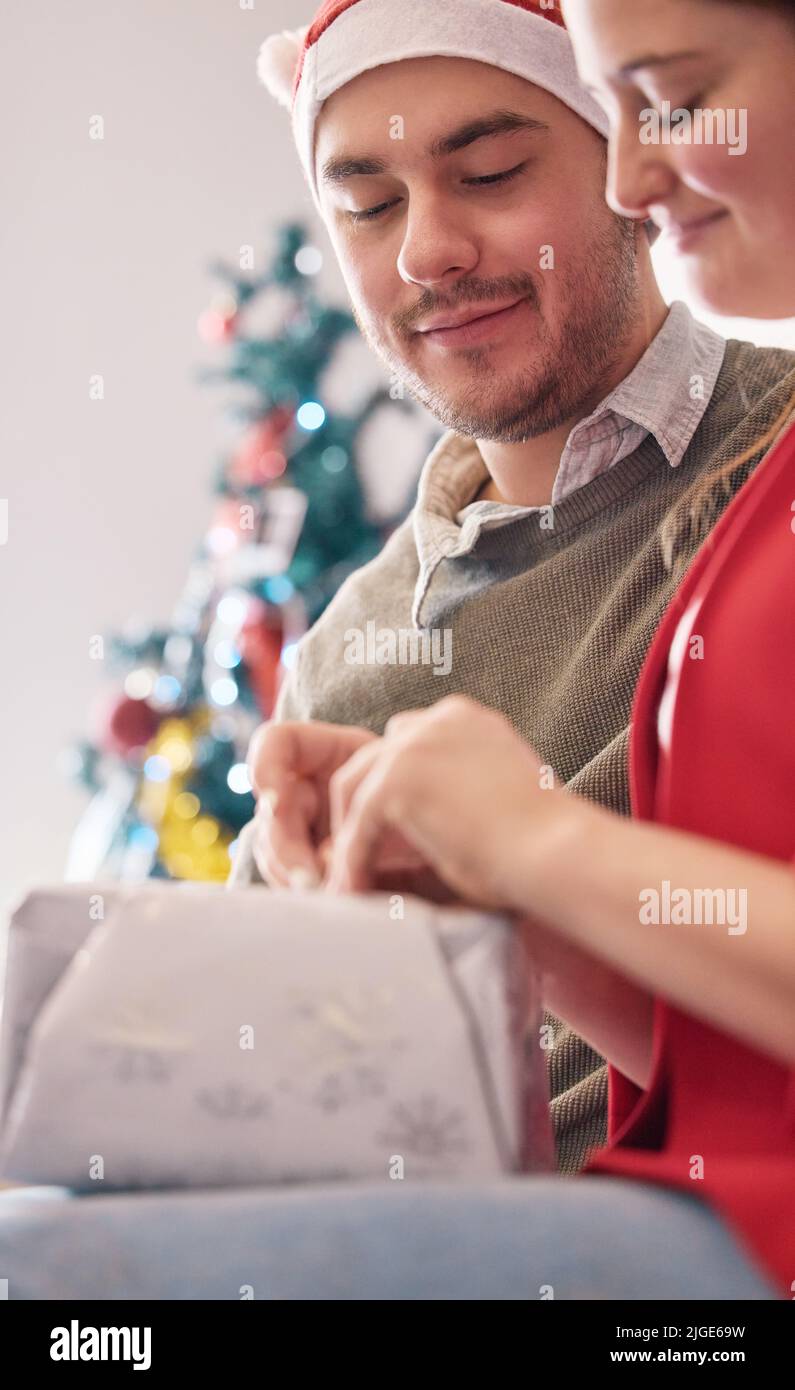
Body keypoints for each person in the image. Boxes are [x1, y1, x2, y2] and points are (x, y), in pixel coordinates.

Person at [251, 0, 795, 1299]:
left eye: (491, 173)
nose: (431, 249)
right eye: (368, 206)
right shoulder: (347, 666)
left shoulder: (767, 486)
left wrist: (532, 852)